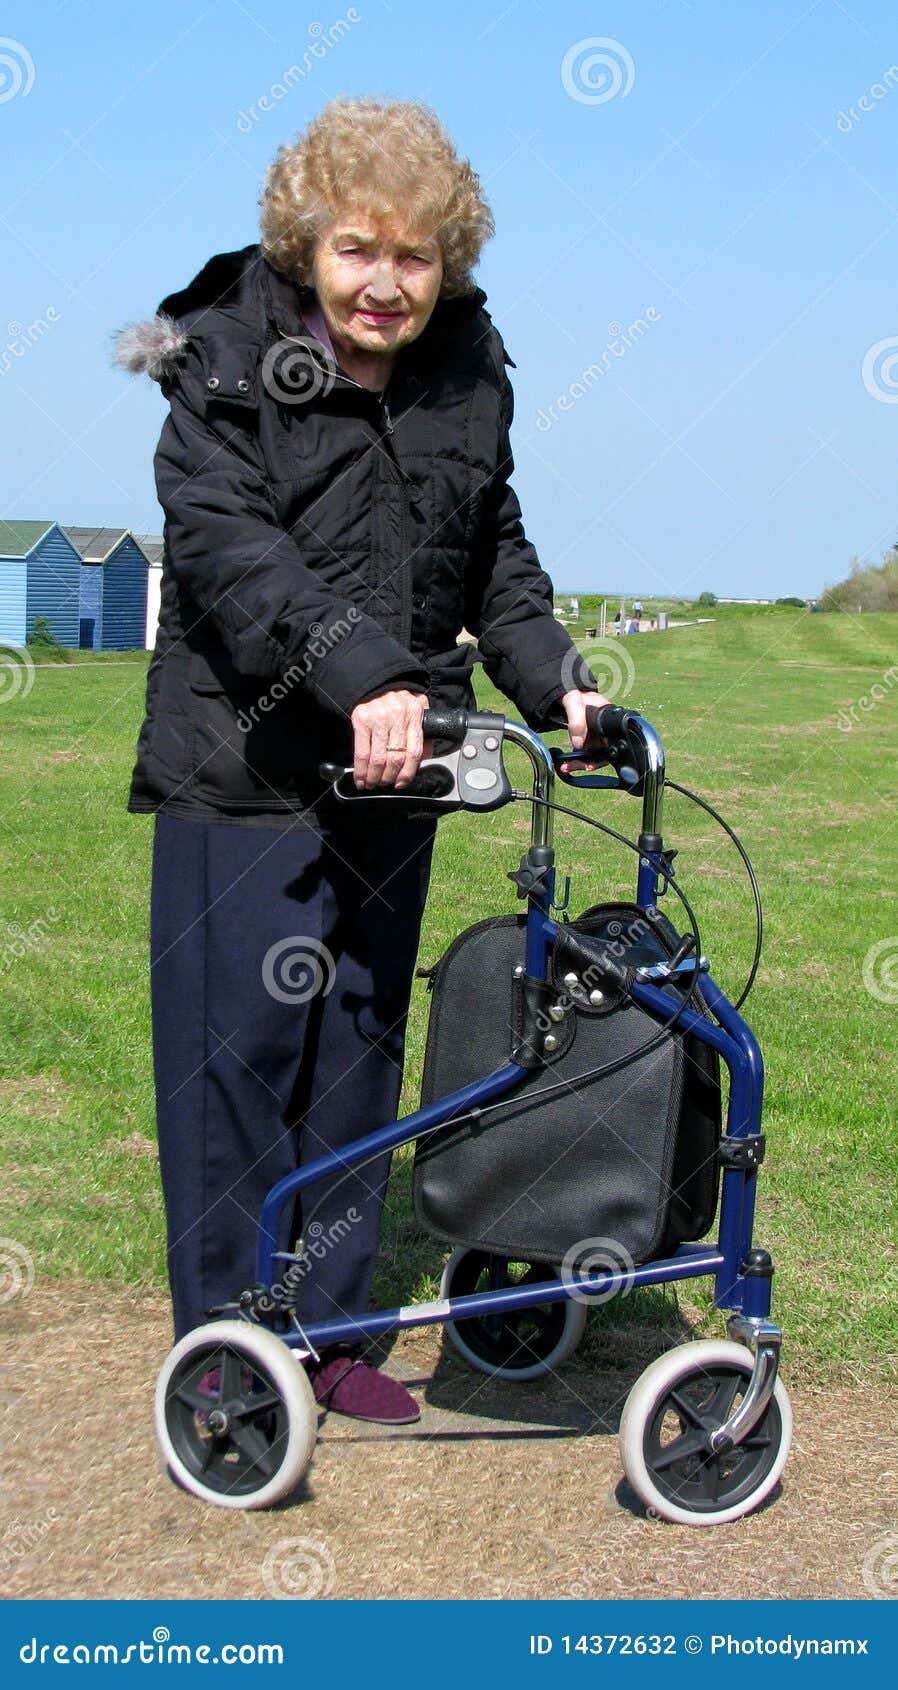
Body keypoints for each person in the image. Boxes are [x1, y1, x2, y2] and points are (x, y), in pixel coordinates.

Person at [114, 96, 609, 1429]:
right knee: (239, 1061)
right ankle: (225, 1362)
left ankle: (329, 1331)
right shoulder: (221, 364)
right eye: (357, 251)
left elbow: (488, 550)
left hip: (399, 775)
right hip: (246, 769)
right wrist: (355, 667)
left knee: (355, 1046)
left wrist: (555, 677)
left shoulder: (463, 374)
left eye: (414, 255)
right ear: (303, 243)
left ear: (447, 258)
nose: (384, 284)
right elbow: (227, 553)